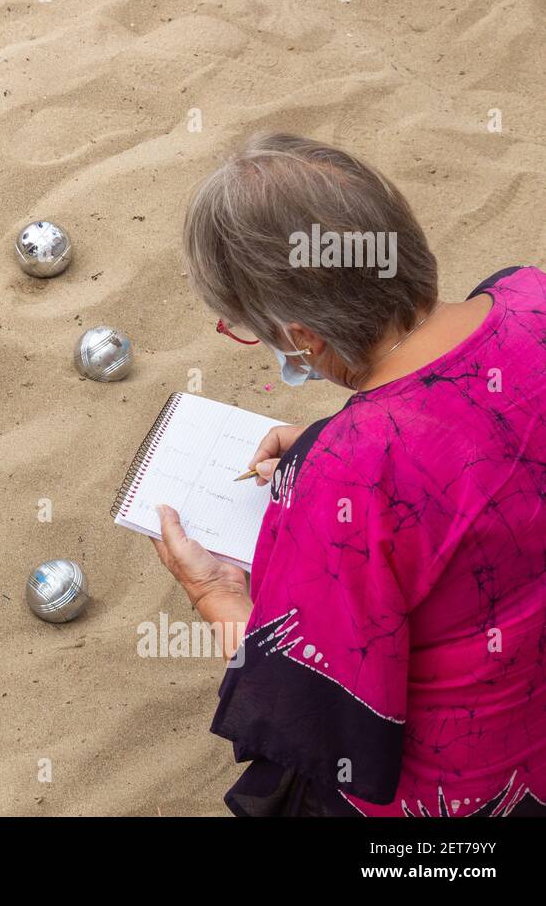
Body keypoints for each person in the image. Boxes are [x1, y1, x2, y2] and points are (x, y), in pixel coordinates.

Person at [152, 132, 545, 816]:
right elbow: (491, 434)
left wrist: (214, 594)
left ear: (303, 336)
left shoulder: (347, 473)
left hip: (482, 793)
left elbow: (312, 705)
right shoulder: (531, 298)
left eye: (252, 330)